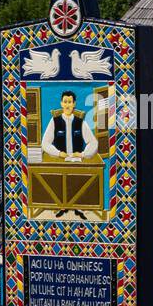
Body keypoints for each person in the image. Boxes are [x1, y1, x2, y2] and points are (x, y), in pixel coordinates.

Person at [40, 90, 97, 219]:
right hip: (60, 161)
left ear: (74, 104)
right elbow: (45, 143)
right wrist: (58, 153)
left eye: (70, 102)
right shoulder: (54, 121)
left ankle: (78, 208)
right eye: (65, 102)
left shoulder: (80, 121)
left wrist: (82, 154)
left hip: (76, 162)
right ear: (61, 103)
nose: (67, 105)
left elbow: (93, 142)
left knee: (79, 182)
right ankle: (62, 207)